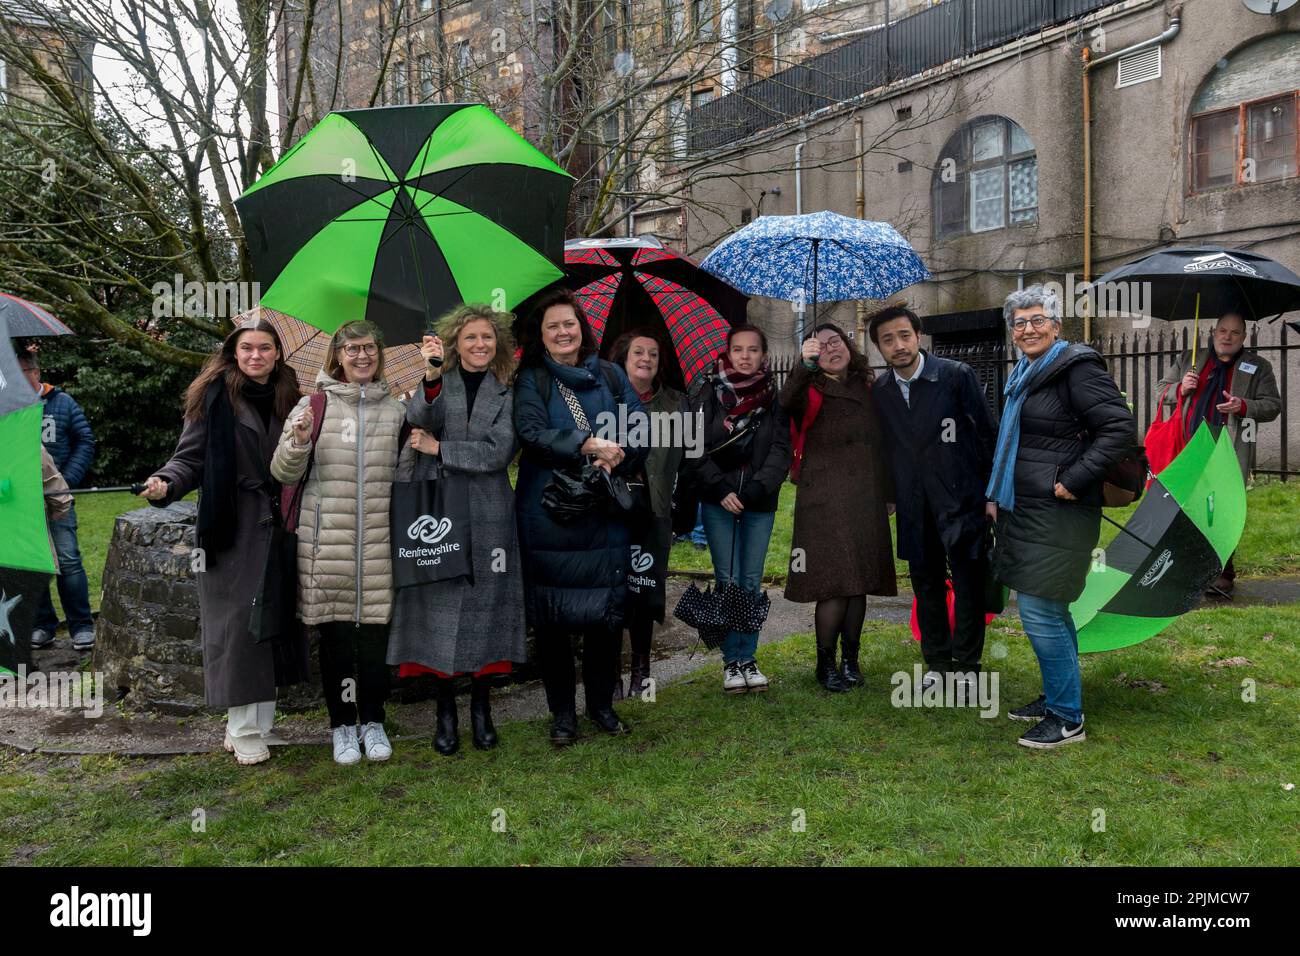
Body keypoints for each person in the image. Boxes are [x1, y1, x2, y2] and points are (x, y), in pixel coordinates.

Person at [139, 317, 307, 766]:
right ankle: (242, 727)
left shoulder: (293, 396)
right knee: (237, 628)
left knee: (273, 619)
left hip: (283, 521)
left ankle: (263, 722)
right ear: (234, 352)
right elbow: (188, 459)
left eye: (265, 348)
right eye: (247, 348)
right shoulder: (214, 398)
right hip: (231, 525)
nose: (256, 356)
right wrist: (163, 484)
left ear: (277, 353)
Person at [987, 286, 1134, 749]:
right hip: (1028, 507)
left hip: (1061, 509)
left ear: (1057, 326)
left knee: (1039, 609)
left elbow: (1119, 428)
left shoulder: (1076, 368)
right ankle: (1059, 697)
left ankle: (1067, 719)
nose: (1028, 329)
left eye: (1037, 320)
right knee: (1052, 608)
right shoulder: (1028, 373)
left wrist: (1074, 479)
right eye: (1019, 322)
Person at [387, 304, 526, 756]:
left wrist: (440, 448)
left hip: (489, 513)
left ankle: (481, 709)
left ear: (497, 342)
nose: (480, 345)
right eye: (470, 338)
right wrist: (429, 378)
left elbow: (498, 453)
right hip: (437, 510)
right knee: (438, 608)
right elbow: (419, 421)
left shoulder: (508, 389)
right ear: (454, 343)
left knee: (487, 608)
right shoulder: (436, 379)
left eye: (487, 337)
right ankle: (444, 711)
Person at [513, 288, 648, 746]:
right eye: (553, 326)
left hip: (602, 511)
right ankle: (562, 715)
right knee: (553, 621)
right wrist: (589, 445)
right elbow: (531, 433)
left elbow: (640, 425)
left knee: (605, 615)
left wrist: (616, 458)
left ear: (581, 327)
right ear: (542, 335)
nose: (563, 332)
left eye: (569, 323)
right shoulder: (533, 379)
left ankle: (601, 707)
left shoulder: (610, 375)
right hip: (550, 513)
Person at [270, 319, 407, 765]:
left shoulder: (396, 411)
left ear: (379, 354)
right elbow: (282, 473)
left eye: (369, 348)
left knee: (373, 641)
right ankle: (342, 728)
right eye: (352, 350)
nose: (362, 356)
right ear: (338, 357)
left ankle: (373, 720)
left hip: (380, 546)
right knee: (335, 642)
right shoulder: (312, 406)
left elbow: (405, 480)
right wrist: (298, 441)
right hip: (325, 544)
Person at [869, 304, 998, 691]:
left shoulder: (955, 376)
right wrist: (890, 495)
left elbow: (986, 435)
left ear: (918, 336)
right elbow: (887, 448)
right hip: (914, 501)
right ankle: (938, 664)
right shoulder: (882, 390)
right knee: (926, 584)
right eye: (887, 340)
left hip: (961, 497)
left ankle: (967, 666)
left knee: (968, 581)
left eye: (904, 335)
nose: (898, 345)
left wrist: (991, 493)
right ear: (878, 347)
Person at [781, 322, 896, 692]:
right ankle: (825, 663)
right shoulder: (808, 388)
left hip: (865, 496)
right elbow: (784, 402)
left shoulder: (869, 387)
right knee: (833, 583)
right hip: (823, 498)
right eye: (821, 345)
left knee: (858, 581)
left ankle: (851, 661)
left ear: (849, 346)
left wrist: (889, 492)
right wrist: (805, 365)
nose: (832, 348)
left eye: (837, 341)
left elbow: (885, 444)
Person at [682, 324, 791, 695]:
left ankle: (749, 657)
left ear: (763, 355)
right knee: (727, 578)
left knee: (751, 579)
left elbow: (781, 450)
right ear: (727, 353)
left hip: (759, 502)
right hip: (718, 502)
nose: (745, 356)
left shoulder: (774, 397)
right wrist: (720, 488)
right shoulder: (707, 392)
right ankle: (731, 661)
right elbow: (693, 447)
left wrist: (758, 488)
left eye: (753, 350)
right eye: (738, 349)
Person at [1155, 309, 1282, 595]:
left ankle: (1222, 571)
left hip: (1228, 448)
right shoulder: (1190, 359)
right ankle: (1184, 568)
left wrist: (1244, 406)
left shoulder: (1257, 366)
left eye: (1235, 332)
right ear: (1213, 332)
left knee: (1222, 509)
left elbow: (1273, 405)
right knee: (1186, 507)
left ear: (1244, 336)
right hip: (1189, 446)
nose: (1228, 337)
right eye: (1223, 330)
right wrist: (1180, 389)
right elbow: (1159, 391)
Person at [608, 327, 688, 699]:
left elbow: (690, 457)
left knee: (644, 589)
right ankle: (610, 672)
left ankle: (642, 669)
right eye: (638, 352)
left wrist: (683, 504)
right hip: (611, 509)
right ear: (623, 359)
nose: (646, 359)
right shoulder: (605, 400)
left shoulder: (676, 403)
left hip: (655, 510)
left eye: (653, 354)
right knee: (611, 591)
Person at [19, 351, 96, 652]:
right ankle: (42, 625)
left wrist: (68, 480)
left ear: (36, 372)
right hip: (22, 501)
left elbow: (84, 441)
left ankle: (81, 626)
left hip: (57, 495)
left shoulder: (62, 403)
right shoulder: (7, 407)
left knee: (68, 560)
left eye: (21, 370)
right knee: (33, 563)